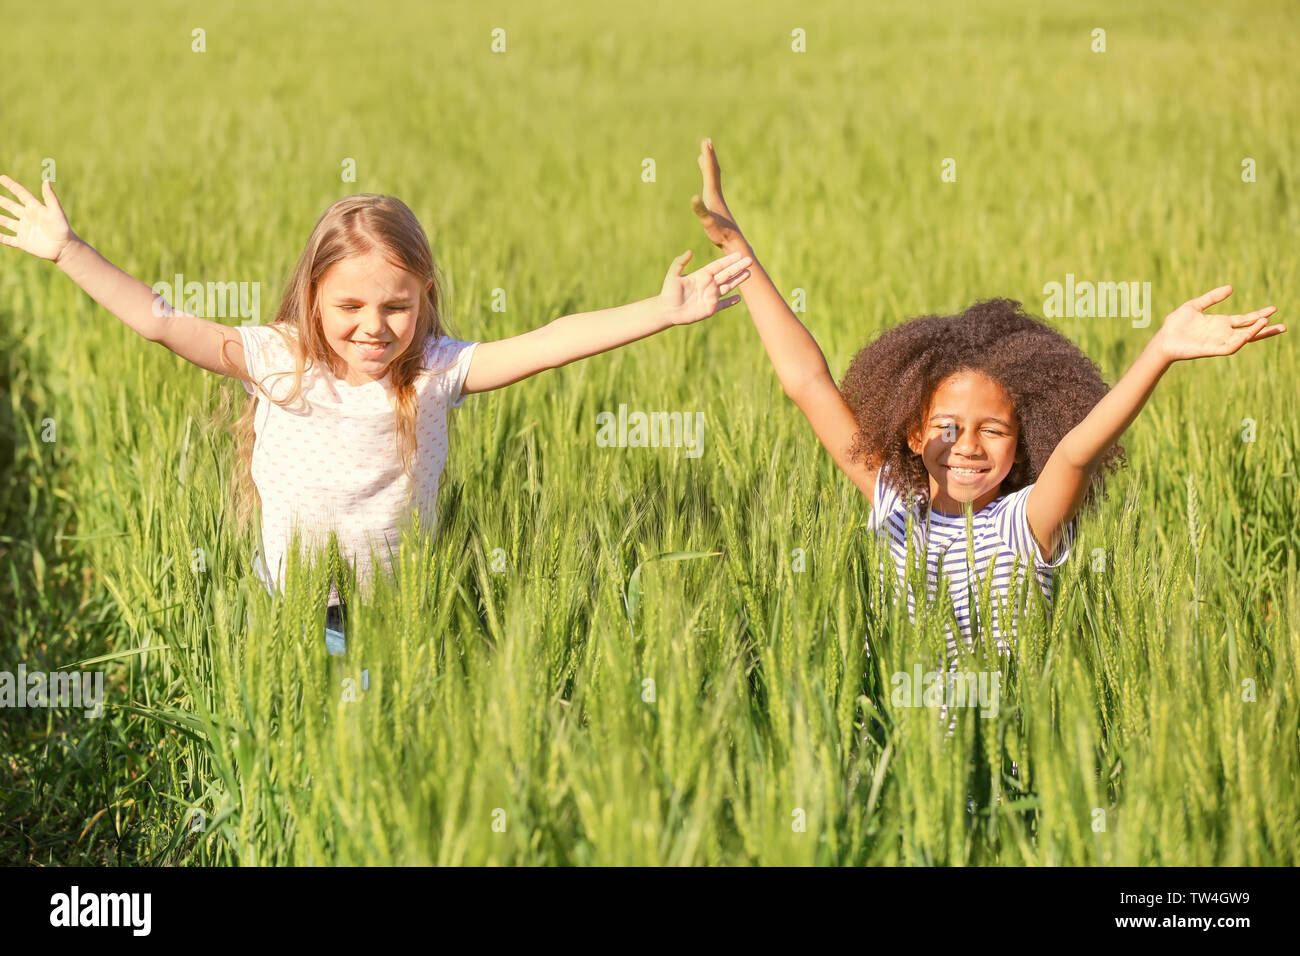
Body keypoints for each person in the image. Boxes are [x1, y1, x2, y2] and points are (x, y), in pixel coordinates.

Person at [1, 176, 751, 654]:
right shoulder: (278, 360)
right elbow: (161, 318)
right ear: (312, 297)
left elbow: (550, 343)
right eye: (349, 306)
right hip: (290, 603)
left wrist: (658, 312)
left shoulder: (435, 371)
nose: (374, 326)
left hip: (398, 609)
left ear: (425, 293)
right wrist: (68, 251)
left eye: (397, 306)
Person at [688, 138, 1284, 660]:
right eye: (946, 426)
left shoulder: (1025, 524)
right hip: (905, 763)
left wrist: (1160, 350)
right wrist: (738, 250)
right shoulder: (896, 507)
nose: (967, 446)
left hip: (1006, 775)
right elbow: (807, 382)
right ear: (914, 433)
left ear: (1024, 437)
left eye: (993, 430)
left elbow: (1077, 453)